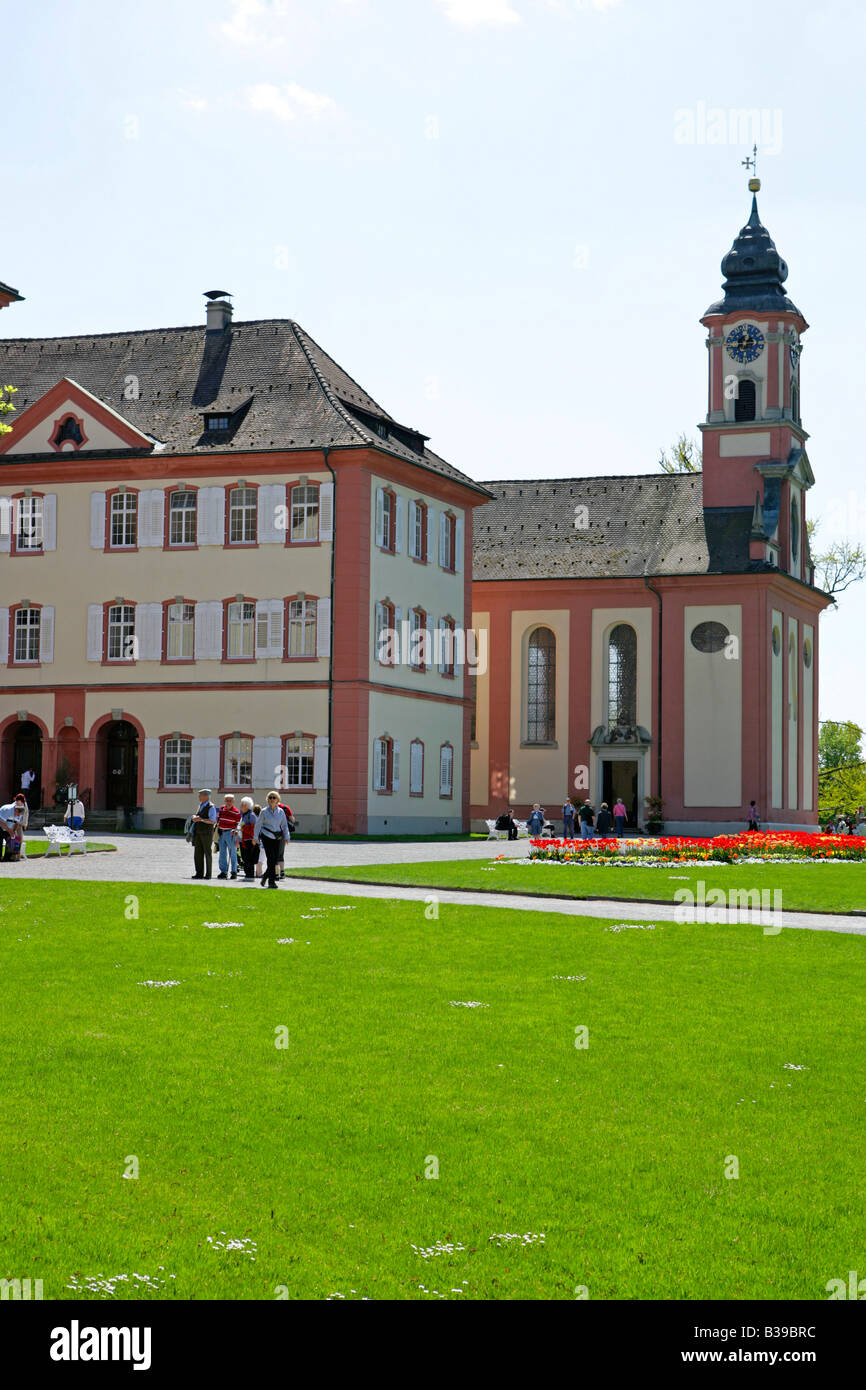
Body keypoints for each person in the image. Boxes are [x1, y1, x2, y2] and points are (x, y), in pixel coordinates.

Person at [253, 792, 290, 888]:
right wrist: (255, 837)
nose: (272, 799)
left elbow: (284, 825)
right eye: (270, 797)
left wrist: (287, 837)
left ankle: (265, 876)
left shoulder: (281, 812)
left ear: (278, 800)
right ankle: (271, 882)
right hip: (266, 836)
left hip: (277, 837)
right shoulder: (264, 811)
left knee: (275, 860)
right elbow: (258, 825)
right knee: (271, 859)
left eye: (274, 797)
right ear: (268, 799)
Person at [190, 789, 217, 879]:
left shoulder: (211, 807)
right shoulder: (200, 805)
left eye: (200, 795)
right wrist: (195, 818)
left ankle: (208, 874)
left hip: (206, 833)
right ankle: (199, 873)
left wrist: (200, 819)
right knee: (197, 853)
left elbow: (213, 821)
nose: (199, 797)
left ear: (206, 796)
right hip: (198, 832)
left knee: (207, 853)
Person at [215, 793, 241, 879]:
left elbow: (239, 825)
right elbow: (218, 820)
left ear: (233, 801)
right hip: (222, 833)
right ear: (224, 801)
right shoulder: (222, 809)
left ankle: (234, 872)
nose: (228, 802)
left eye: (230, 800)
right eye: (227, 800)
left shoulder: (236, 812)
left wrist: (236, 832)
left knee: (232, 853)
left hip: (231, 834)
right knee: (222, 853)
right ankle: (223, 871)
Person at [0, 794, 27, 861]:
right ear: (15, 810)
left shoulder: (20, 812)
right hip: (1, 825)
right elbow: (1, 823)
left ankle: (6, 858)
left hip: (8, 826)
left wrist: (14, 831)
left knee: (10, 841)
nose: (18, 815)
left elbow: (17, 823)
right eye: (17, 814)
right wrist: (10, 831)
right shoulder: (7, 810)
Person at [238, 797, 258, 879]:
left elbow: (254, 828)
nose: (241, 805)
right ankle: (247, 873)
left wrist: (243, 829)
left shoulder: (251, 815)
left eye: (243, 804)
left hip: (250, 840)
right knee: (245, 857)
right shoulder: (243, 815)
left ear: (247, 806)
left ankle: (250, 874)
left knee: (249, 858)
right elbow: (241, 825)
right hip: (243, 839)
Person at [276, 800, 295, 880]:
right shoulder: (285, 808)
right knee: (281, 853)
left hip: (273, 832)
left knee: (273, 853)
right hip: (283, 832)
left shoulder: (270, 808)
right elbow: (292, 819)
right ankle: (282, 871)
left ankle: (275, 873)